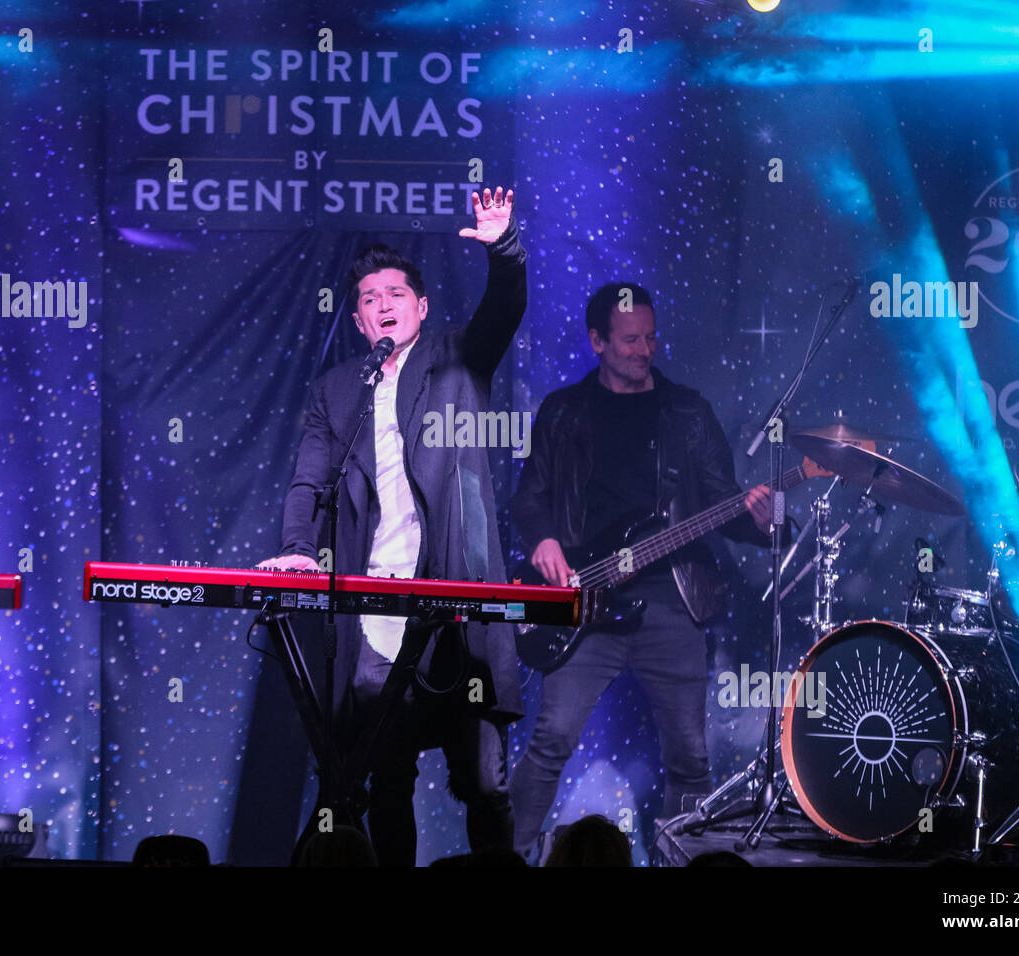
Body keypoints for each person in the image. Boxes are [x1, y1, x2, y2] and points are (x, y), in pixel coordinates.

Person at [262, 187, 527, 866]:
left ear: (422, 306)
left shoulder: (457, 359)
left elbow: (504, 308)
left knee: (482, 783)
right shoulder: (338, 389)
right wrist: (297, 551)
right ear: (357, 318)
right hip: (376, 613)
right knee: (385, 780)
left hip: (455, 605)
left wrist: (503, 245)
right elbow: (308, 480)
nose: (384, 303)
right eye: (371, 297)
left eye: (396, 293)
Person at [508, 281, 775, 862]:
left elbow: (722, 504)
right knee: (551, 739)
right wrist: (544, 539)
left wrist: (761, 521)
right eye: (630, 339)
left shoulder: (688, 412)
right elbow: (529, 499)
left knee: (689, 757)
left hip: (671, 601)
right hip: (586, 603)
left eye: (651, 337)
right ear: (597, 340)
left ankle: (685, 863)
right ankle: (513, 855)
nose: (644, 349)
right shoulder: (563, 410)